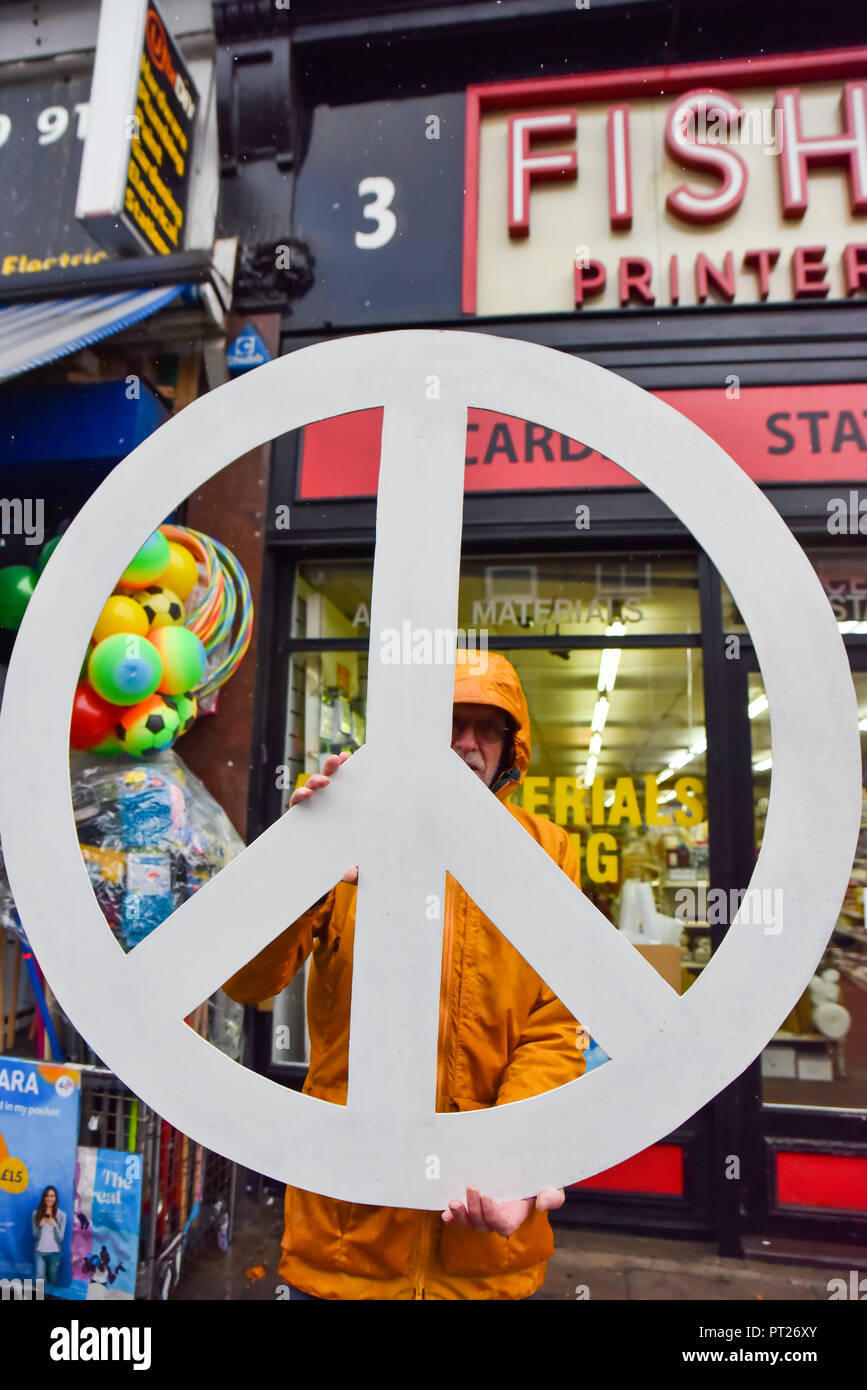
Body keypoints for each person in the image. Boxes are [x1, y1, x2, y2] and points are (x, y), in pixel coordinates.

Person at [223, 651, 588, 1299]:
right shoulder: (348, 830)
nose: (467, 743)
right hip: (346, 1235)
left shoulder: (547, 852)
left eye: (488, 728)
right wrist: (300, 863)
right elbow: (248, 985)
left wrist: (506, 1163)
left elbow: (554, 1027)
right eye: (449, 721)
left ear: (512, 748)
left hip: (482, 1237)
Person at [32, 1185, 66, 1287]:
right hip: (39, 1253)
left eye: (52, 1196)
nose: (49, 1198)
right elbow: (35, 1237)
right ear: (43, 1198)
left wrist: (55, 1226)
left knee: (51, 1282)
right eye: (47, 1196)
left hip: (55, 1254)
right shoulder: (35, 1214)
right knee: (40, 1279)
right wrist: (40, 1225)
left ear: (55, 1198)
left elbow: (60, 1240)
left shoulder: (62, 1215)